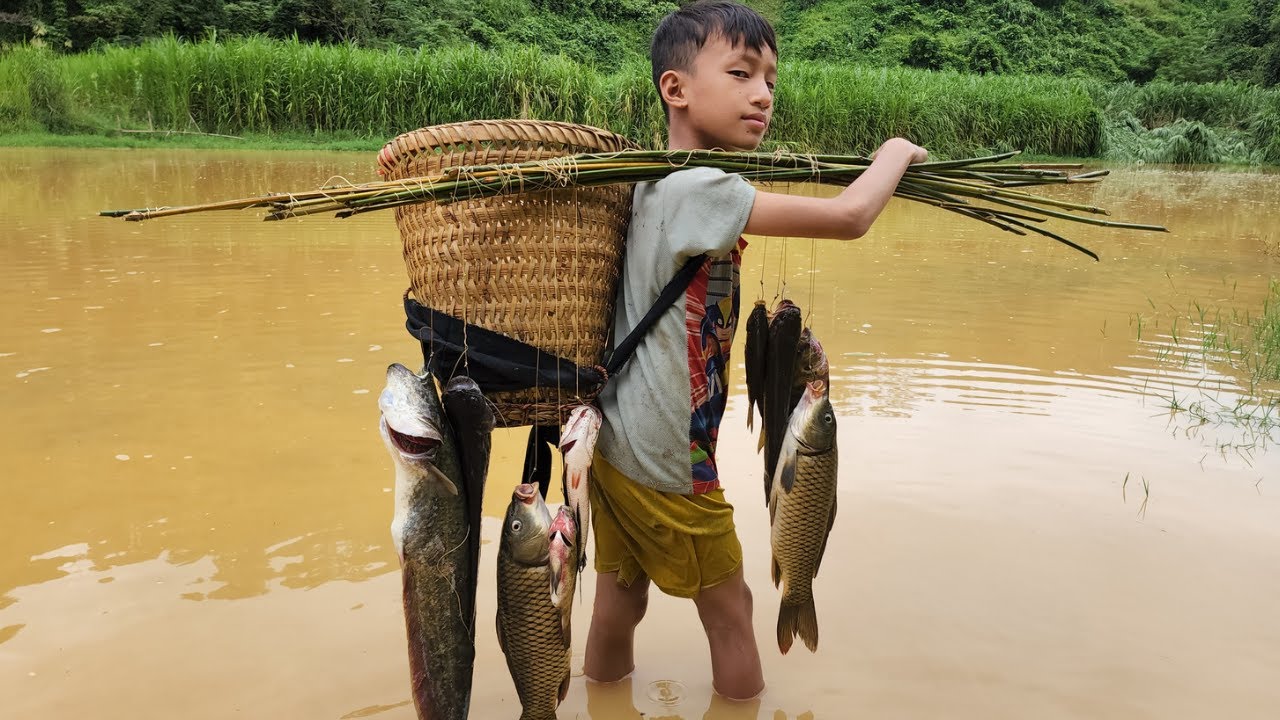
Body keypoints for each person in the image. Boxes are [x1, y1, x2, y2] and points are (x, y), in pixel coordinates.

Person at [585, 0, 928, 701]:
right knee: (734, 608)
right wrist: (893, 154)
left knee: (621, 595)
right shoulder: (702, 187)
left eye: (771, 79)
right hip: (668, 456)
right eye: (741, 73)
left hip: (615, 441)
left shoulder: (653, 177)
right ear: (675, 89)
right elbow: (850, 217)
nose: (763, 94)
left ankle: (603, 698)